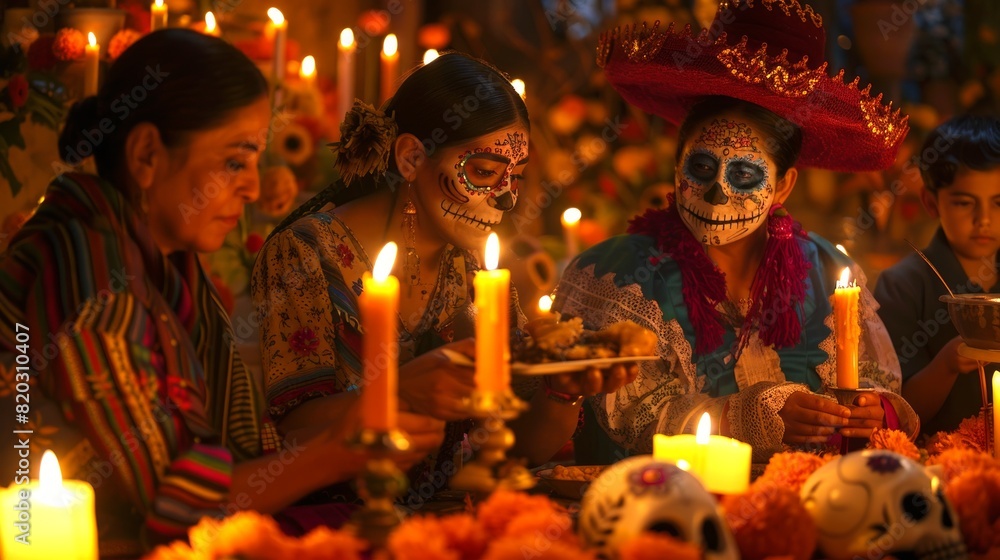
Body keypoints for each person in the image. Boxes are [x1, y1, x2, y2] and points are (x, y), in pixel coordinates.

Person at [0, 29, 442, 557]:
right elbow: (173, 508)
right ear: (146, 155)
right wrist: (340, 450)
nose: (254, 188)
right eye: (236, 160)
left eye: (257, 160)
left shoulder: (160, 261)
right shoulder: (89, 273)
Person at [252, 52, 635, 502]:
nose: (506, 199)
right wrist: (402, 393)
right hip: (327, 525)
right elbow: (291, 435)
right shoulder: (307, 254)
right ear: (412, 156)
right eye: (484, 173)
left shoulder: (480, 273)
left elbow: (517, 448)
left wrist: (562, 390)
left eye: (515, 179)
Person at [553, 0, 918, 463]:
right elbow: (624, 423)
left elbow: (878, 387)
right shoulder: (618, 278)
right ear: (676, 162)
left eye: (744, 175)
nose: (716, 195)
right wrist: (745, 417)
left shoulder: (829, 273)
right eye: (701, 167)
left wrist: (871, 412)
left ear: (783, 184)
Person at [874, 115, 1000, 438]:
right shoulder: (901, 286)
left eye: (998, 203)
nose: (983, 220)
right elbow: (895, 413)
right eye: (964, 203)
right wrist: (946, 363)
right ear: (931, 203)